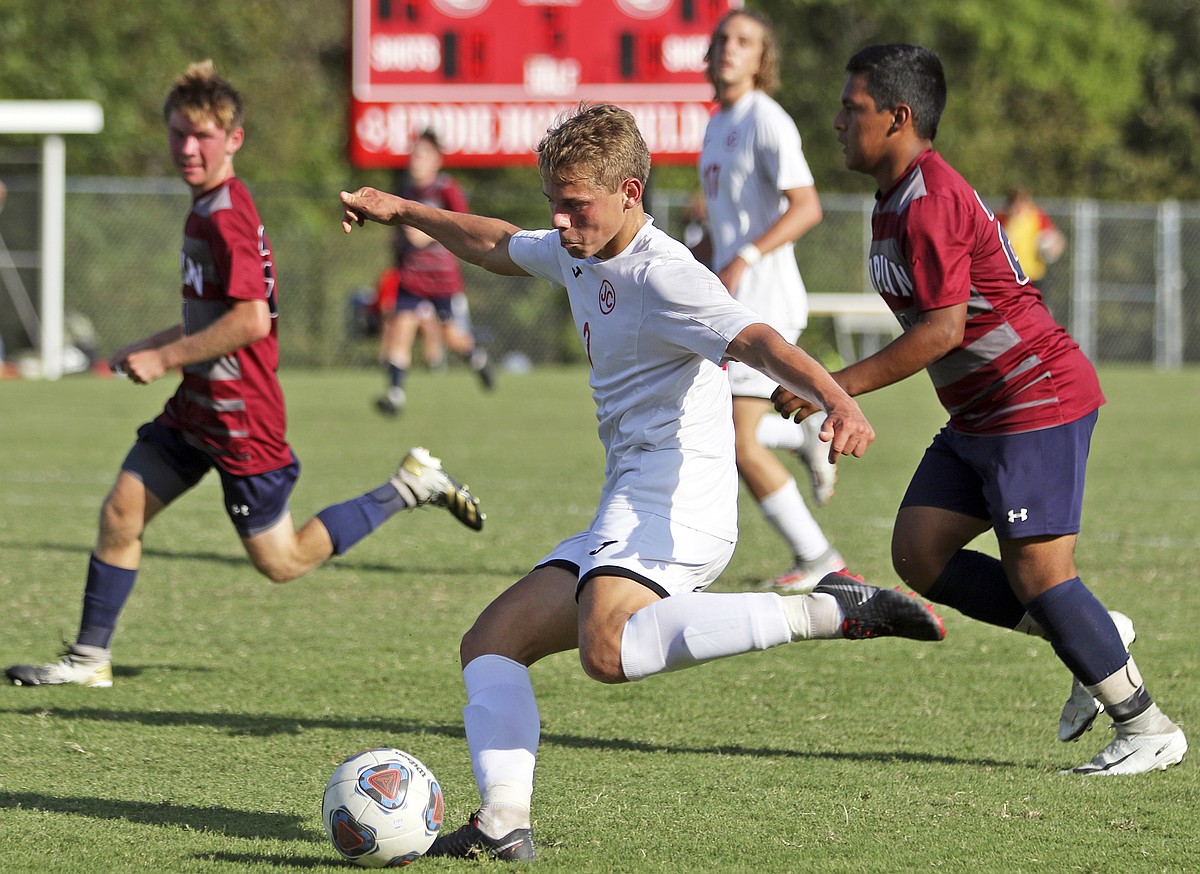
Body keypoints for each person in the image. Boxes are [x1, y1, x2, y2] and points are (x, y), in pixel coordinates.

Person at [340, 102, 946, 861]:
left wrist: (836, 396)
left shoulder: (669, 276)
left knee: (606, 649)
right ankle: (502, 824)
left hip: (679, 502)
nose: (561, 222)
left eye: (577, 206)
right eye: (554, 204)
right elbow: (497, 244)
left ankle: (824, 610)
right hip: (626, 500)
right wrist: (401, 208)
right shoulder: (577, 246)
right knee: (490, 644)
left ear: (630, 193)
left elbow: (755, 337)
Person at [774, 44, 1186, 776]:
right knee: (919, 552)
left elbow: (941, 330)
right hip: (982, 412)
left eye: (852, 107)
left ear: (898, 117)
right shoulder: (894, 196)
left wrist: (831, 387)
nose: (837, 120)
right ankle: (1093, 635)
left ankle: (1147, 726)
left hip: (1034, 396)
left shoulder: (928, 200)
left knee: (1040, 575)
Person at [5, 61, 484, 690]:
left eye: (202, 135)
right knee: (122, 511)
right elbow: (220, 313)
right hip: (198, 404)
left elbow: (252, 320)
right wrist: (155, 344)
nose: (187, 148)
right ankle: (89, 658)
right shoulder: (209, 205)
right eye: (178, 133)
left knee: (281, 562)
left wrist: (163, 358)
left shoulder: (225, 213)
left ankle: (408, 486)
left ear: (233, 139)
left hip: (241, 416)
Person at [699, 9, 841, 593]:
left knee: (737, 439)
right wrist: (698, 261)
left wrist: (744, 258)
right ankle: (805, 434)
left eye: (745, 42)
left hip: (767, 300)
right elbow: (720, 226)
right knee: (729, 435)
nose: (730, 49)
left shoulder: (767, 119)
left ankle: (820, 558)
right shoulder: (716, 125)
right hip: (732, 300)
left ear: (763, 60)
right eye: (723, 40)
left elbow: (807, 206)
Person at [375, 129, 493, 416]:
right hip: (412, 277)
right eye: (413, 154)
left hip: (442, 280)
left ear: (437, 160)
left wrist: (429, 233)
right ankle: (395, 394)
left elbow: (464, 224)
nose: (415, 160)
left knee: (452, 337)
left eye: (423, 155)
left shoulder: (446, 189)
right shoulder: (405, 190)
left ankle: (476, 357)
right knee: (401, 329)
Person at [998, 185, 1066, 283]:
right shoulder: (1002, 217)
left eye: (1022, 200)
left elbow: (1055, 238)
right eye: (1015, 200)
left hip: (1033, 274)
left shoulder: (1037, 216)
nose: (1019, 204)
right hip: (1009, 274)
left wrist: (1052, 248)